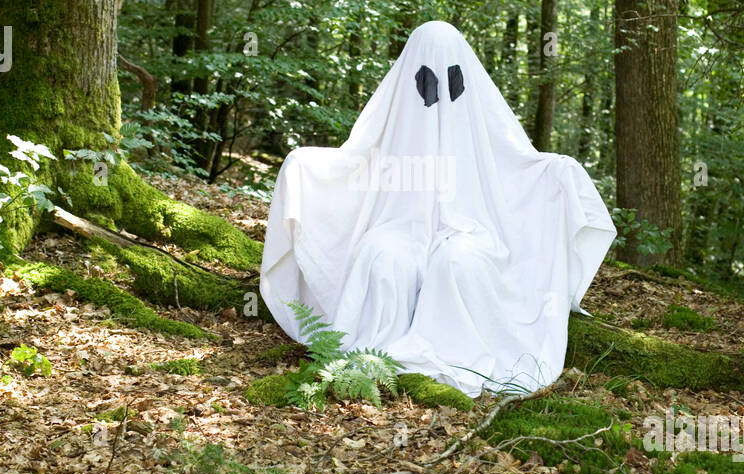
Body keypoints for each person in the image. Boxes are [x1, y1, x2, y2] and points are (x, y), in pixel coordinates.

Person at [260, 20, 615, 396]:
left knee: (457, 262)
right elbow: (359, 159)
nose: (439, 92)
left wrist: (558, 170)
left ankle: (458, 357)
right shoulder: (396, 113)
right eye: (427, 77)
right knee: (382, 258)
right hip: (398, 225)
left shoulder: (480, 120)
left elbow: (512, 160)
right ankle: (373, 359)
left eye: (450, 76)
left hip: (471, 230)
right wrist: (304, 165)